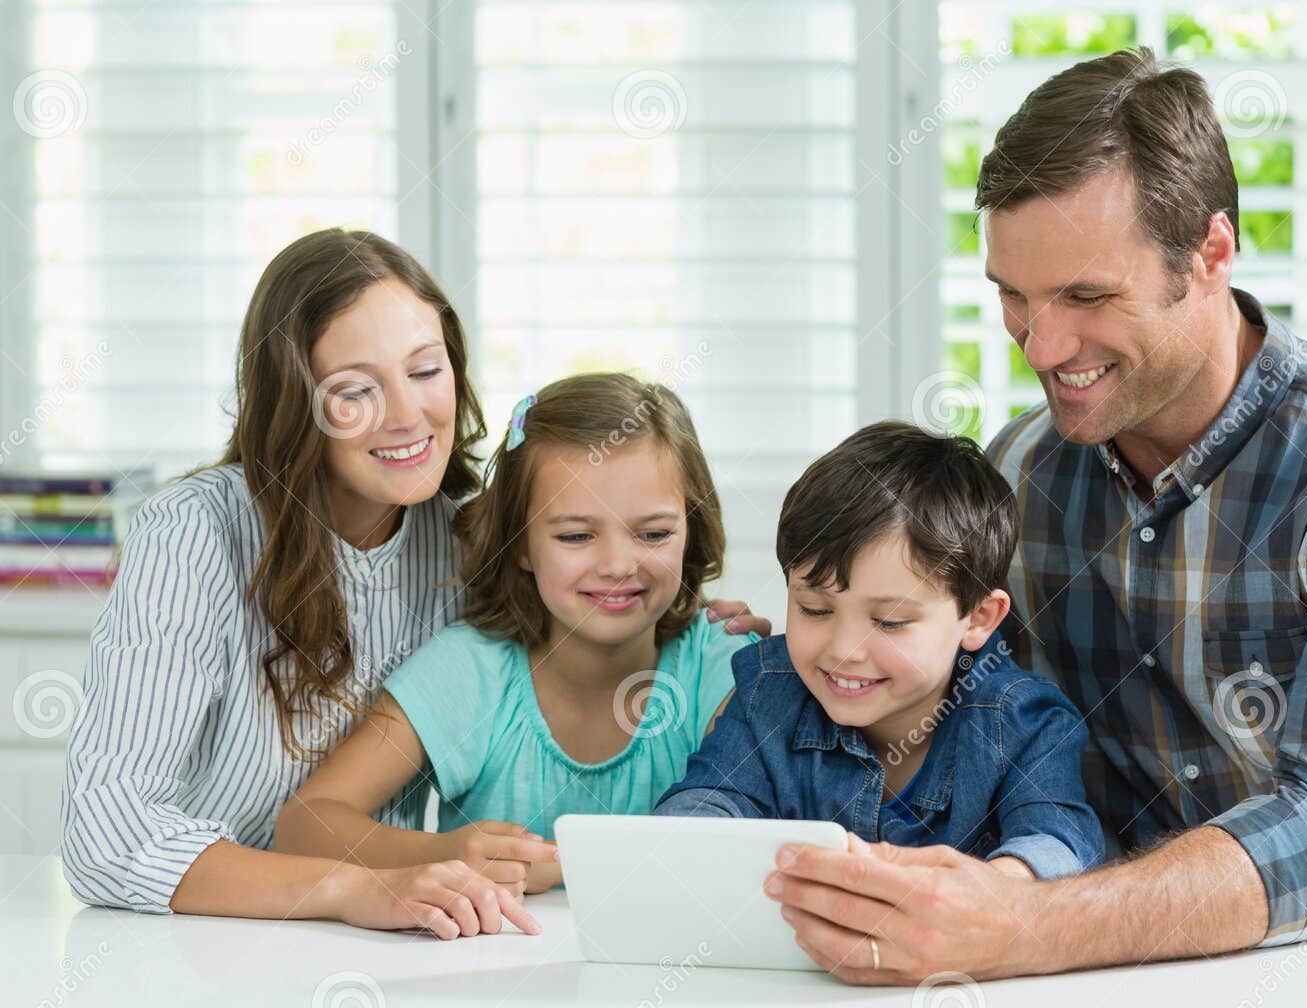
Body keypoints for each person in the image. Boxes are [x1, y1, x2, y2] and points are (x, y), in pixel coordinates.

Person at [764, 48, 1307, 983]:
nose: (1042, 346)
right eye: (1013, 296)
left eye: (1087, 296)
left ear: (1211, 253)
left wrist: (1025, 926)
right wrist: (766, 645)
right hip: (1156, 975)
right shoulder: (1020, 472)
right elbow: (939, 699)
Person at [61, 229, 768, 936]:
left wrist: (692, 617)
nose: (406, 415)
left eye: (425, 370)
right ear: (293, 403)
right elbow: (105, 836)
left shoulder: (470, 535)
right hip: (183, 933)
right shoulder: (192, 533)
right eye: (354, 390)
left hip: (380, 940)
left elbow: (595, 579)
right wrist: (355, 887)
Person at [276, 374, 758, 898]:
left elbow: (753, 846)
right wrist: (444, 854)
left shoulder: (723, 663)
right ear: (521, 545)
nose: (619, 565)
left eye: (654, 534)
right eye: (576, 536)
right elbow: (305, 824)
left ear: (690, 533)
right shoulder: (472, 670)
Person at [657, 422, 1102, 883]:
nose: (845, 651)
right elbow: (707, 798)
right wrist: (693, 839)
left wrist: (997, 884)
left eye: (890, 622)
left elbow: (1059, 839)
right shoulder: (769, 692)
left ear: (979, 618)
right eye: (814, 609)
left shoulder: (1024, 722)